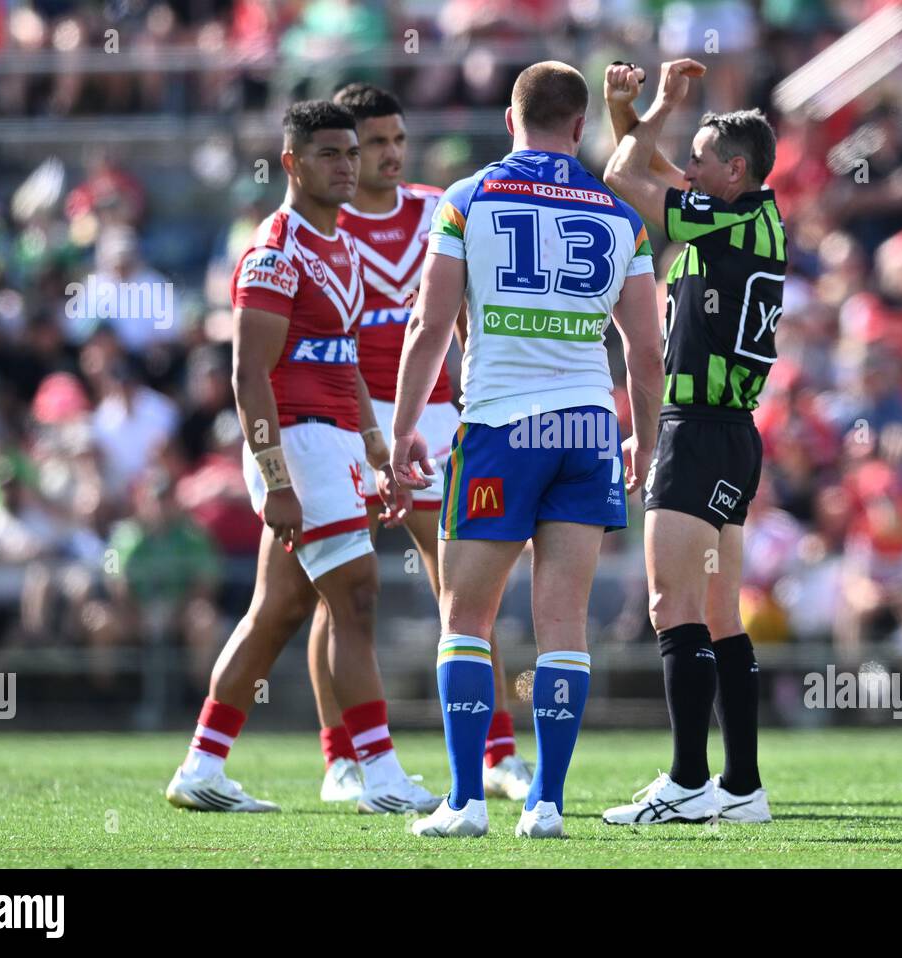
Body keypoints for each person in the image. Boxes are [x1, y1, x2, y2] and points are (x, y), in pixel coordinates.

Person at [390, 61, 664, 838]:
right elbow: (647, 354)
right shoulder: (621, 217)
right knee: (563, 627)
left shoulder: (466, 199)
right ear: (580, 126)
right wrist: (641, 431)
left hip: (503, 428)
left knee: (466, 618)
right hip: (586, 430)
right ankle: (546, 803)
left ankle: (468, 803)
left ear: (510, 118)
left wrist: (404, 426)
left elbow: (429, 327)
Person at [164, 101, 440, 815]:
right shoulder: (276, 251)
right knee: (356, 598)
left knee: (279, 609)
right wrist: (276, 476)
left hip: (338, 438)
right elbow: (248, 376)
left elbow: (345, 360)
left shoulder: (340, 245)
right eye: (329, 154)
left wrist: (378, 450)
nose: (346, 165)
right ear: (291, 162)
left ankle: (202, 764)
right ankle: (377, 775)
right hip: (295, 439)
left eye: (351, 153)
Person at [306, 82, 532, 805]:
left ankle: (497, 753)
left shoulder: (442, 206)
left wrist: (474, 395)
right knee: (340, 598)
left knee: (466, 588)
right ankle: (342, 759)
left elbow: (463, 311)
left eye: (398, 140)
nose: (391, 154)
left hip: (430, 417)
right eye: (375, 142)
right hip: (343, 424)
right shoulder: (322, 224)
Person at [598, 60, 780, 824]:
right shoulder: (747, 208)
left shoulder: (728, 216)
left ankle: (686, 781)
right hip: (732, 435)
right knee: (717, 612)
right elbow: (643, 163)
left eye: (703, 161)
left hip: (699, 430)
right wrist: (630, 112)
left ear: (733, 170)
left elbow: (620, 176)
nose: (692, 170)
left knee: (671, 602)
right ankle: (741, 787)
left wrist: (662, 103)